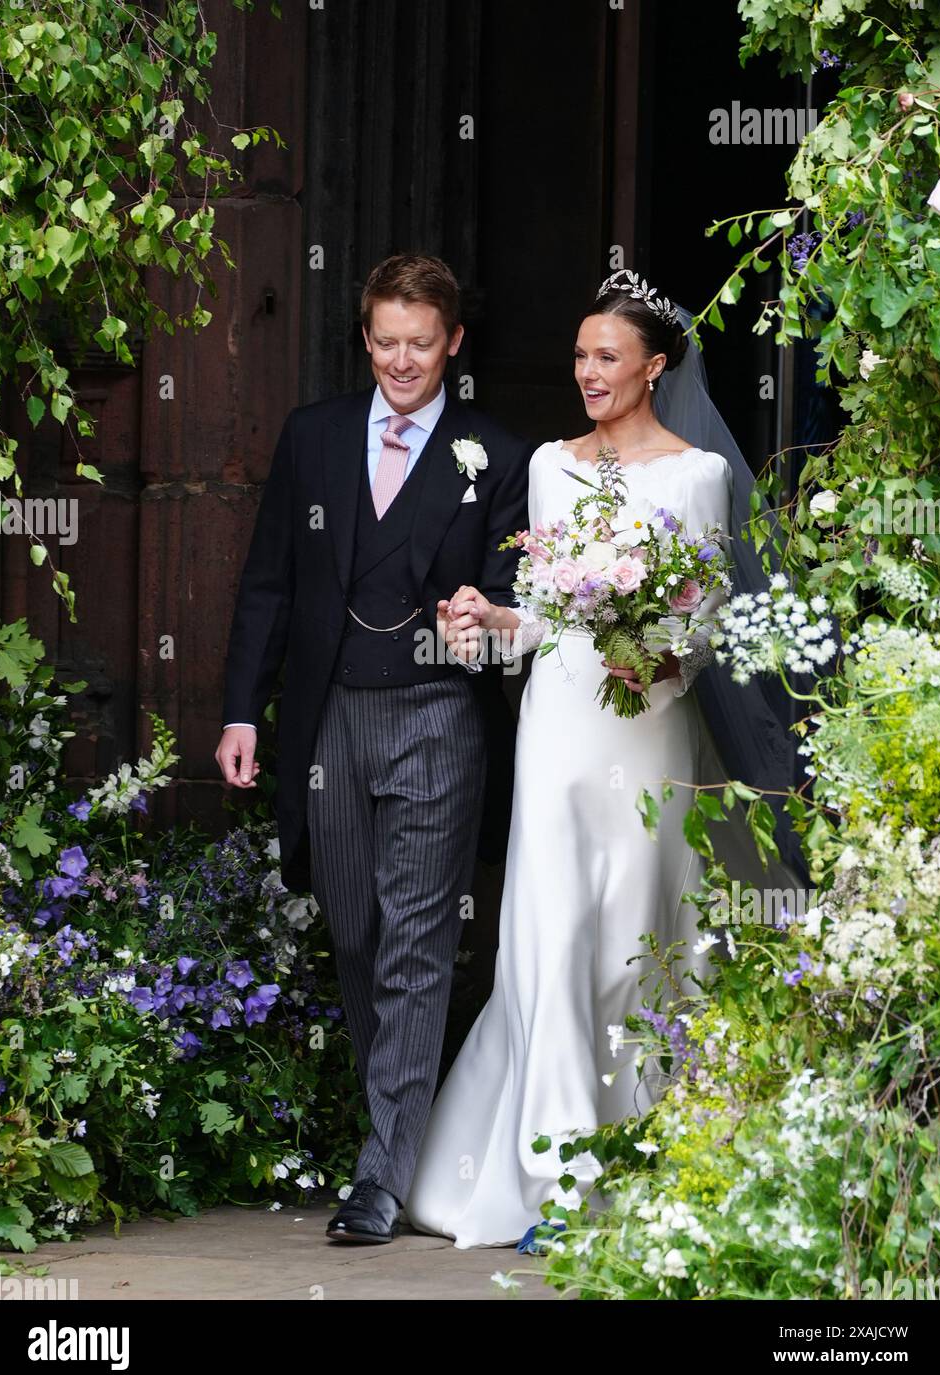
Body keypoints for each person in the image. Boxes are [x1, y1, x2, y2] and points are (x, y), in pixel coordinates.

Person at [402, 268, 800, 1250]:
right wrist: (486, 619)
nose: (585, 371)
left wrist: (656, 650)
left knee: (631, 944)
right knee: (551, 940)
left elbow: (701, 624)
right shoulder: (548, 466)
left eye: (606, 356)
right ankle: (554, 1176)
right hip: (559, 729)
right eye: (578, 354)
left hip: (648, 723)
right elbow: (534, 616)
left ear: (653, 367)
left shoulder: (696, 477)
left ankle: (648, 1154)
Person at [216, 253, 531, 1244]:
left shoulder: (498, 454)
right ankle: (404, 1137)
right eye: (385, 341)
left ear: (453, 344)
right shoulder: (313, 437)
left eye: (421, 344)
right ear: (366, 336)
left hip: (438, 715)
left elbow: (505, 607)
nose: (401, 362)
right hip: (331, 720)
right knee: (353, 931)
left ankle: (382, 1177)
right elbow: (269, 580)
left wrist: (477, 618)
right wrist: (239, 711)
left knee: (413, 943)